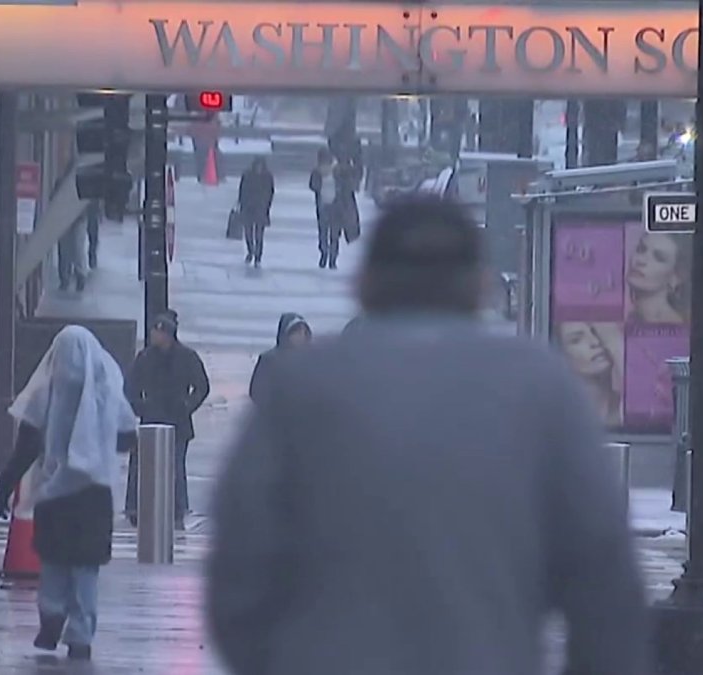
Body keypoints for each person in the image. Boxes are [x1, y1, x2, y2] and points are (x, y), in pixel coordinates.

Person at [206, 196, 650, 675]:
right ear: (480, 286)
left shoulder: (302, 388)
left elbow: (239, 572)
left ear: (364, 283)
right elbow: (605, 582)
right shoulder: (541, 389)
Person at [0, 326, 138, 661]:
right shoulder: (107, 388)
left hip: (56, 491)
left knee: (55, 559)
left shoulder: (46, 390)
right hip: (95, 494)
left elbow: (27, 443)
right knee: (86, 566)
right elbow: (127, 437)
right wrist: (95, 441)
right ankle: (81, 635)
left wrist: (7, 483)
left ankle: (52, 616)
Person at [124, 311, 211, 529]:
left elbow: (202, 386)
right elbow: (130, 387)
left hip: (177, 419)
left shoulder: (187, 357)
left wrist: (187, 405)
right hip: (151, 417)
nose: (154, 336)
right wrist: (139, 406)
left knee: (176, 466)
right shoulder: (145, 358)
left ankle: (178, 509)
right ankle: (135, 506)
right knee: (140, 463)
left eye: (158, 332)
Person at [555, 321, 623, 425]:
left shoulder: (627, 409)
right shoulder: (558, 417)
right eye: (576, 340)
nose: (595, 342)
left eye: (596, 333)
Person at [626, 231, 691, 324]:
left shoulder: (670, 324)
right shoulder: (635, 318)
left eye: (659, 258)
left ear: (676, 278)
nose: (640, 260)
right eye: (640, 249)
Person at [249, 313, 311, 405]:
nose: (301, 336)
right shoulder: (269, 359)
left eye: (304, 332)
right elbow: (256, 392)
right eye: (297, 332)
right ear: (286, 334)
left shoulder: (311, 360)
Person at [238, 157, 275, 267]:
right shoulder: (247, 175)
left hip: (261, 208)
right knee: (248, 233)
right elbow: (242, 191)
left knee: (259, 235)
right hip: (249, 207)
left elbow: (270, 192)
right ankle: (250, 251)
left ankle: (258, 256)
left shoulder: (267, 177)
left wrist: (267, 206)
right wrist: (242, 203)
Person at [308, 148, 341, 269]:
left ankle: (332, 258)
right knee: (323, 232)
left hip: (336, 206)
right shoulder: (316, 172)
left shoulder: (337, 171)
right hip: (322, 205)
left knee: (334, 234)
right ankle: (324, 254)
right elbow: (312, 185)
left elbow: (345, 184)